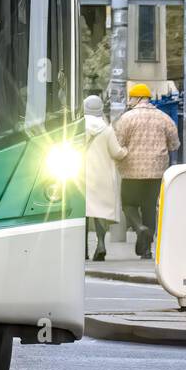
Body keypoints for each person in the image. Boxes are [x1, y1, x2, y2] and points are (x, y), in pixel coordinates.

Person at [113, 82, 179, 259]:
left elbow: (118, 143)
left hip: (131, 171)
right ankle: (147, 250)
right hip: (156, 172)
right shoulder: (163, 117)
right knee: (149, 207)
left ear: (138, 98)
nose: (130, 101)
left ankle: (139, 228)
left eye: (132, 97)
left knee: (128, 204)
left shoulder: (127, 118)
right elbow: (175, 143)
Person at [82, 94, 125, 261]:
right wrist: (125, 151)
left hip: (79, 175)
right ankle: (101, 244)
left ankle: (82, 250)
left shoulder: (77, 127)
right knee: (99, 212)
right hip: (102, 176)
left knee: (82, 213)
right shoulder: (106, 130)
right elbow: (116, 152)